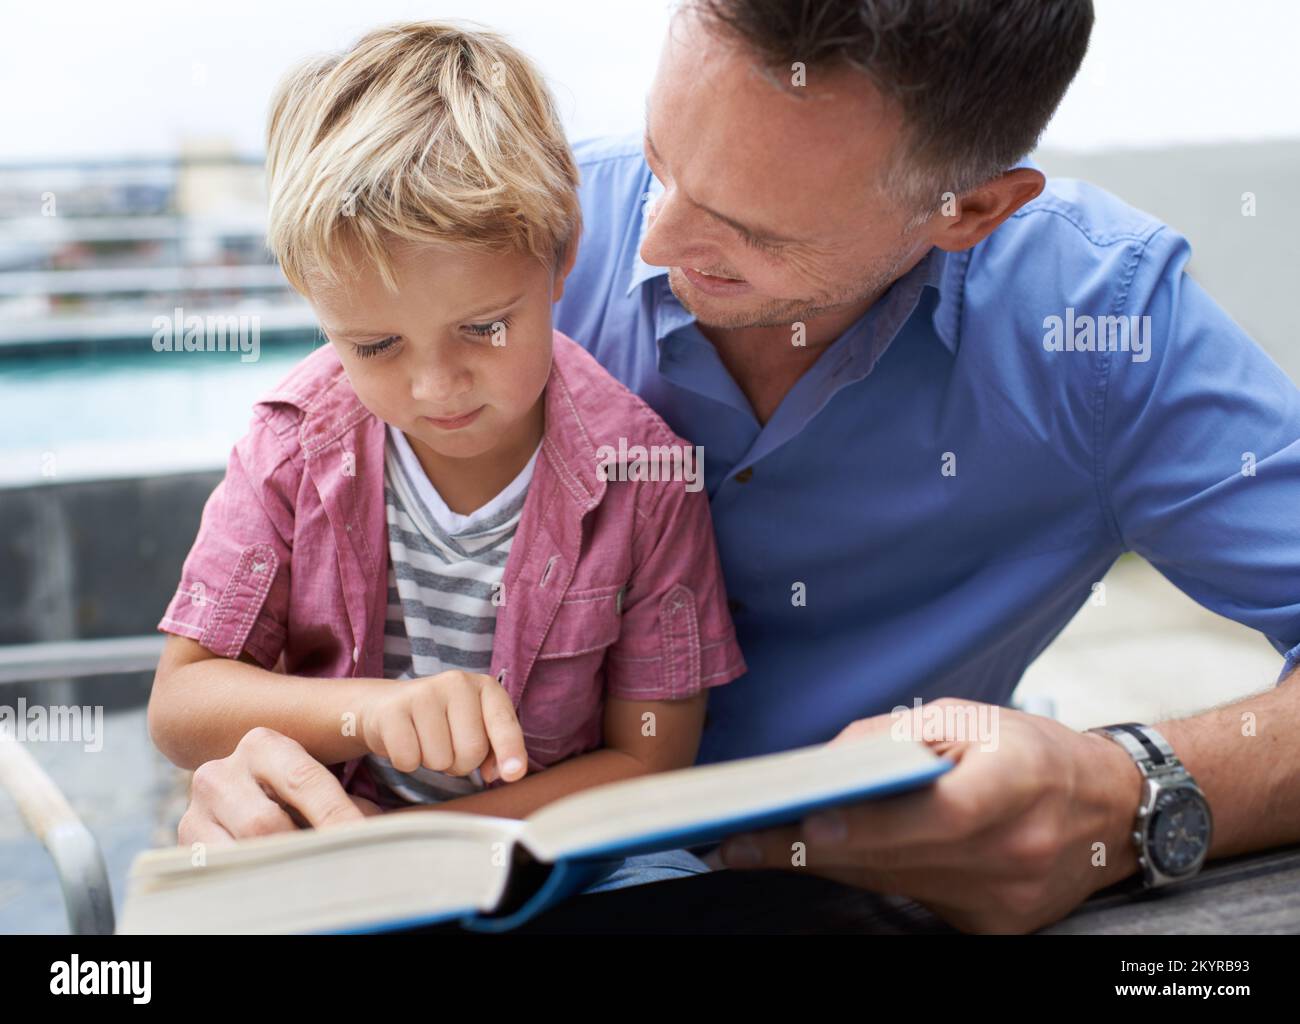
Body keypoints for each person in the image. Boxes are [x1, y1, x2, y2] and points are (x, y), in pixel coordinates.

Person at [175, 0, 1300, 933]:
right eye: (661, 156)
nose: (644, 247)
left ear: (970, 211)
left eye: (747, 233)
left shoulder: (1103, 330)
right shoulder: (505, 239)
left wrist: (1134, 786)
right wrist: (268, 779)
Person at [149, 21, 745, 843]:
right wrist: (374, 712)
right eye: (375, 345)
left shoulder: (647, 479)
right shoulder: (289, 448)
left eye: (483, 329)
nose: (435, 388)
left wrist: (414, 848)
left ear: (561, 253)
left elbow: (650, 760)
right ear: (310, 298)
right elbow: (181, 707)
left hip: (569, 863)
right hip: (329, 841)